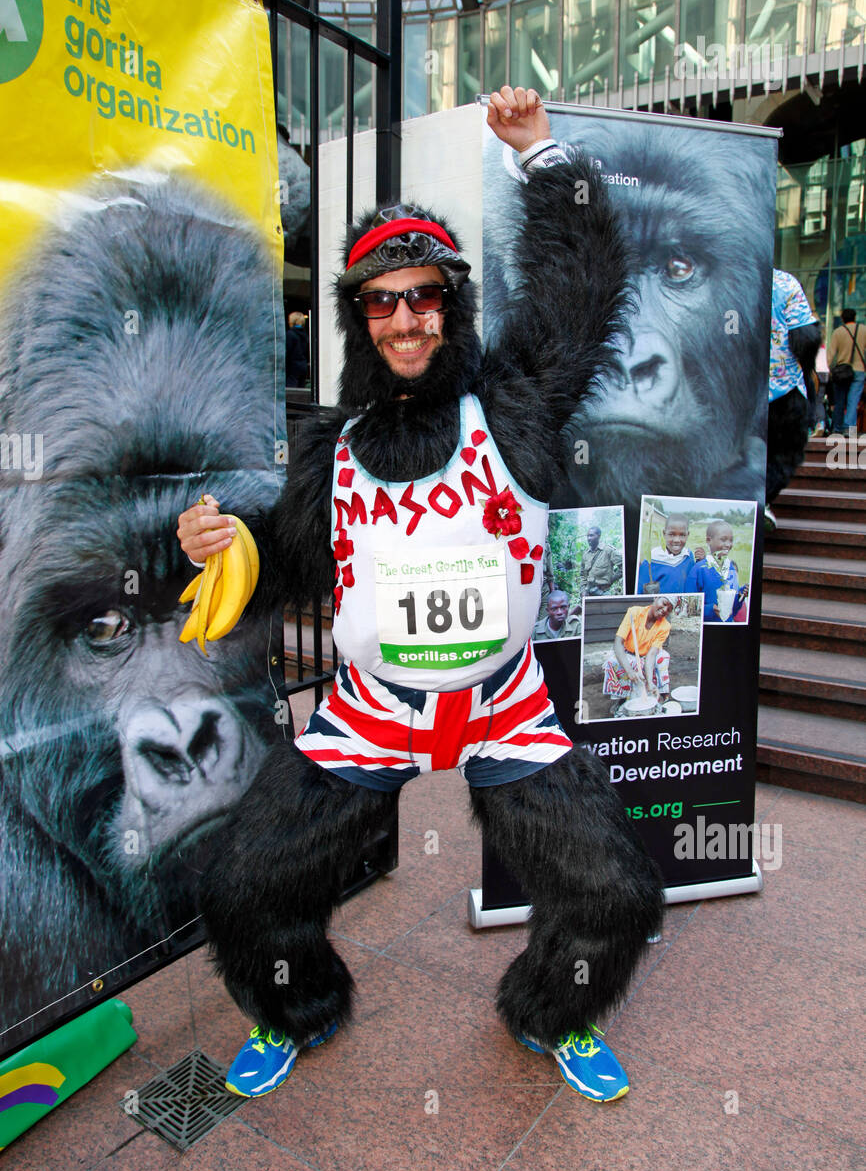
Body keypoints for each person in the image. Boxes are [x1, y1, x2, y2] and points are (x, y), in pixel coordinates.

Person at [177, 85, 662, 1106]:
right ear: (360, 316)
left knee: (615, 892)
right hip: (369, 713)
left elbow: (583, 288)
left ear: (450, 305)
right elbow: (288, 560)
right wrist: (217, 543)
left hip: (503, 706)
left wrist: (540, 158)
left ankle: (554, 1012)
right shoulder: (334, 447)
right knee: (242, 888)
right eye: (381, 300)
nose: (404, 319)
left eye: (424, 296)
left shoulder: (514, 402)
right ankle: (294, 1009)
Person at [766, 269, 821, 529]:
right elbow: (805, 337)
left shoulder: (720, 274)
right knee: (784, 452)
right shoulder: (784, 282)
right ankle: (762, 499)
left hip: (733, 391)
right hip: (783, 388)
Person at [602, 596, 674, 703]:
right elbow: (618, 643)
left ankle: (660, 693)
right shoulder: (634, 612)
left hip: (647, 657)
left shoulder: (665, 626)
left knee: (663, 657)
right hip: (629, 654)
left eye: (669, 609)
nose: (664, 610)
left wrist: (649, 682)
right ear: (655, 598)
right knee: (611, 662)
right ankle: (622, 699)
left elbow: (652, 654)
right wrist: (629, 671)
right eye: (664, 603)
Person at [685, 520, 748, 623]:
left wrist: (740, 596)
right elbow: (689, 606)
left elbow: (733, 610)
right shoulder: (698, 570)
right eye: (723, 540)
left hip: (727, 628)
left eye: (731, 540)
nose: (728, 544)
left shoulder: (731, 568)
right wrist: (710, 610)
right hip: (706, 627)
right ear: (709, 540)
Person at [637, 515, 703, 596]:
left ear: (688, 535)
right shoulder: (652, 559)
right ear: (664, 534)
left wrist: (701, 562)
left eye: (682, 535)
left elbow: (694, 581)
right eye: (672, 534)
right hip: (660, 607)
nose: (676, 540)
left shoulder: (688, 556)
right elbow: (640, 590)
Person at [827, 308, 865, 435]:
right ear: (855, 317)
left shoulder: (837, 332)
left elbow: (830, 355)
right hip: (859, 370)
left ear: (842, 319)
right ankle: (850, 429)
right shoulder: (864, 330)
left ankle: (837, 428)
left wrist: (830, 370)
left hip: (841, 371)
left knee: (839, 401)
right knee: (853, 400)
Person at [580, 525, 621, 597]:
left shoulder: (608, 550)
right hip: (588, 593)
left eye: (591, 535)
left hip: (603, 592)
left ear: (598, 536)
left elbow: (623, 567)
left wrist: (611, 580)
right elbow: (583, 575)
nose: (589, 538)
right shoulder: (586, 554)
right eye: (588, 536)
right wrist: (583, 590)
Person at [284, 309, 309, 388]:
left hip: (293, 367)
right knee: (301, 389)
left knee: (291, 390)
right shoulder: (305, 335)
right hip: (303, 366)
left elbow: (287, 351)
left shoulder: (290, 334)